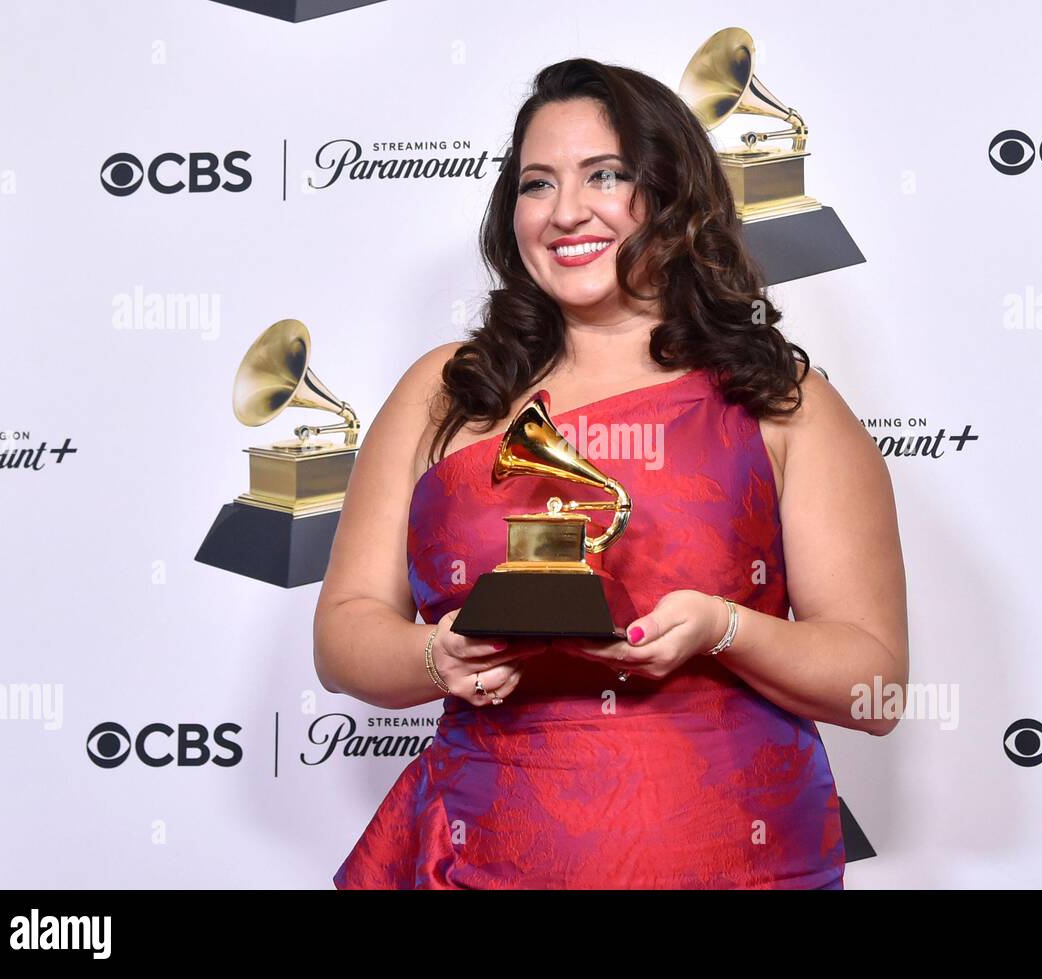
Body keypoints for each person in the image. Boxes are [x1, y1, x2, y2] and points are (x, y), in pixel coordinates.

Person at [313, 57, 908, 889]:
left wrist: (723, 628)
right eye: (536, 184)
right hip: (478, 857)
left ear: (672, 195)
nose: (565, 213)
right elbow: (343, 634)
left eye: (607, 176)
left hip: (736, 858)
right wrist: (434, 656)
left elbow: (872, 686)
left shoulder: (779, 400)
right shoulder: (445, 390)